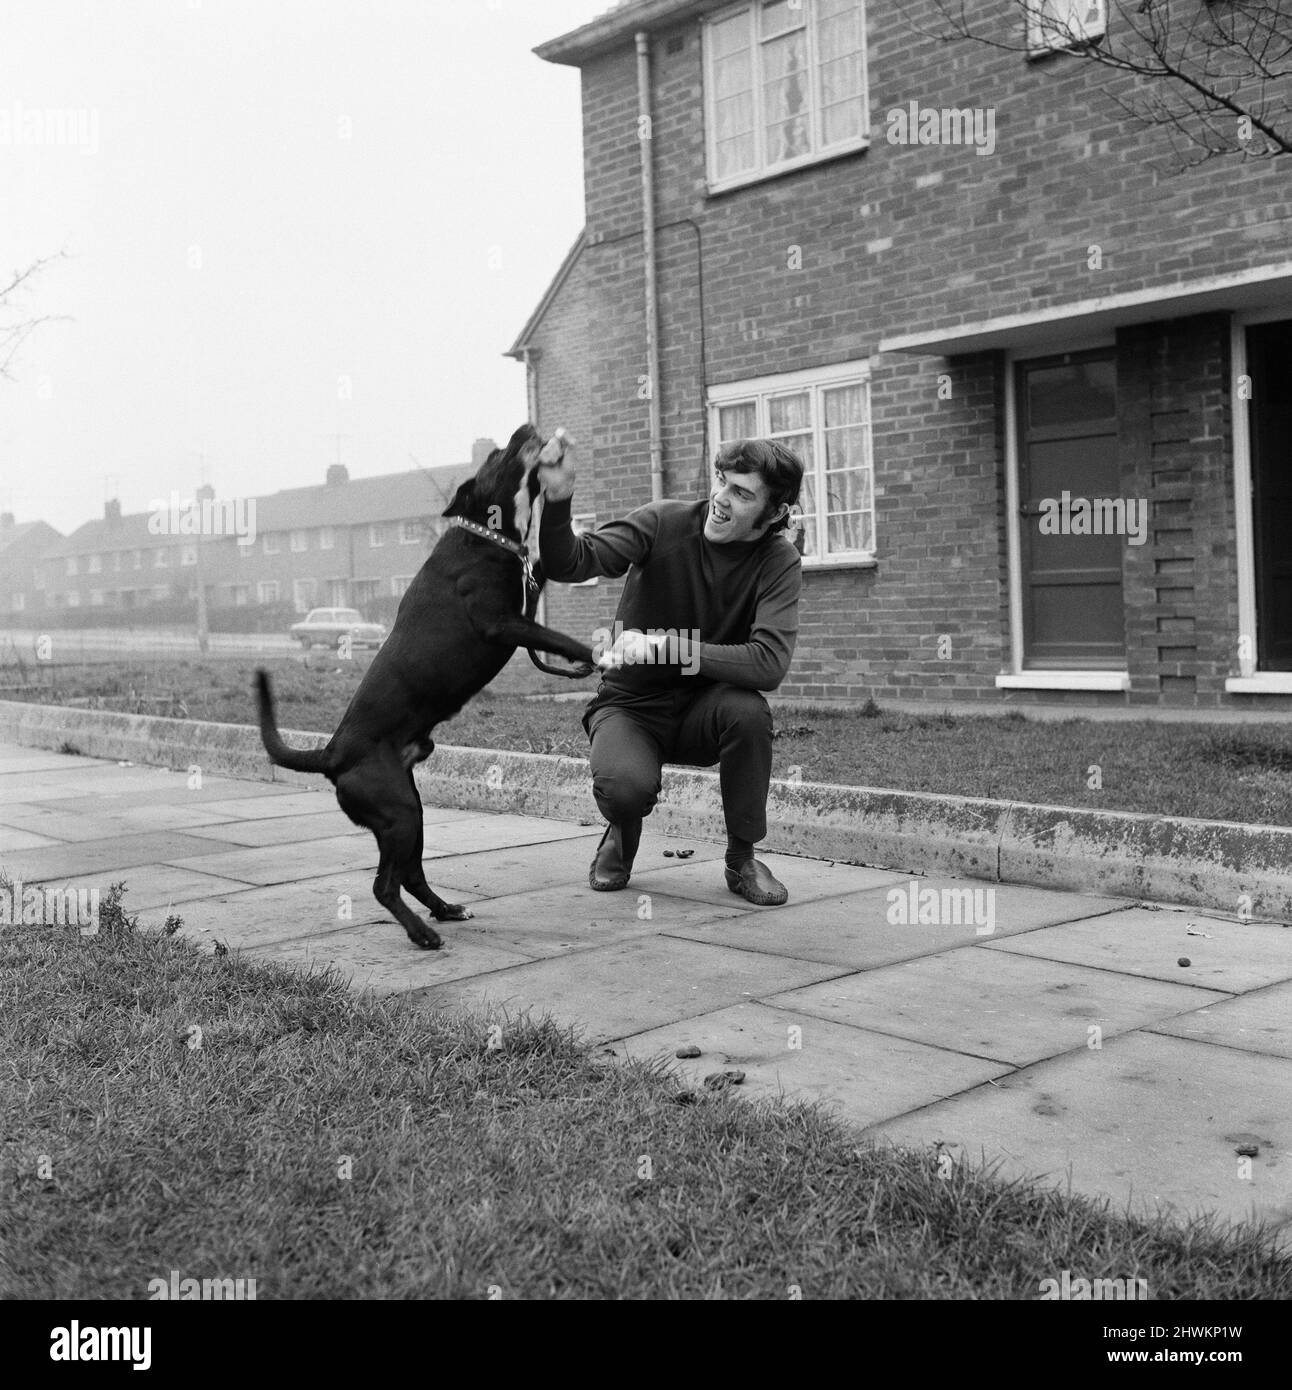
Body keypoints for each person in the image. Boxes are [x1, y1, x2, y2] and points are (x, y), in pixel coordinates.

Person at [537, 437, 804, 905]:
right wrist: (557, 500)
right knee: (624, 789)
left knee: (749, 712)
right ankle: (622, 832)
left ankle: (742, 858)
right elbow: (572, 561)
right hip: (632, 705)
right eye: (723, 482)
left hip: (707, 709)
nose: (722, 498)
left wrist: (664, 646)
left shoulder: (777, 561)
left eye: (743, 494)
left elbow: (768, 663)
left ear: (775, 513)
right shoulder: (664, 522)